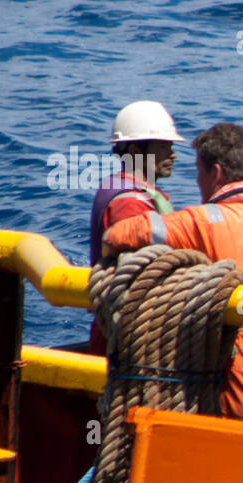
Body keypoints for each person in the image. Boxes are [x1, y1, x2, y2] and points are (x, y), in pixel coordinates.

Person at [102, 123, 243, 424]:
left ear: (216, 174)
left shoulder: (203, 221)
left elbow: (118, 235)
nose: (197, 180)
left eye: (199, 173)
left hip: (233, 393)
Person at [87, 100, 185, 354]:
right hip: (128, 343)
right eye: (163, 147)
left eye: (171, 146)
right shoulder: (130, 206)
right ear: (134, 151)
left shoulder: (118, 187)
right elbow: (139, 281)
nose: (172, 154)